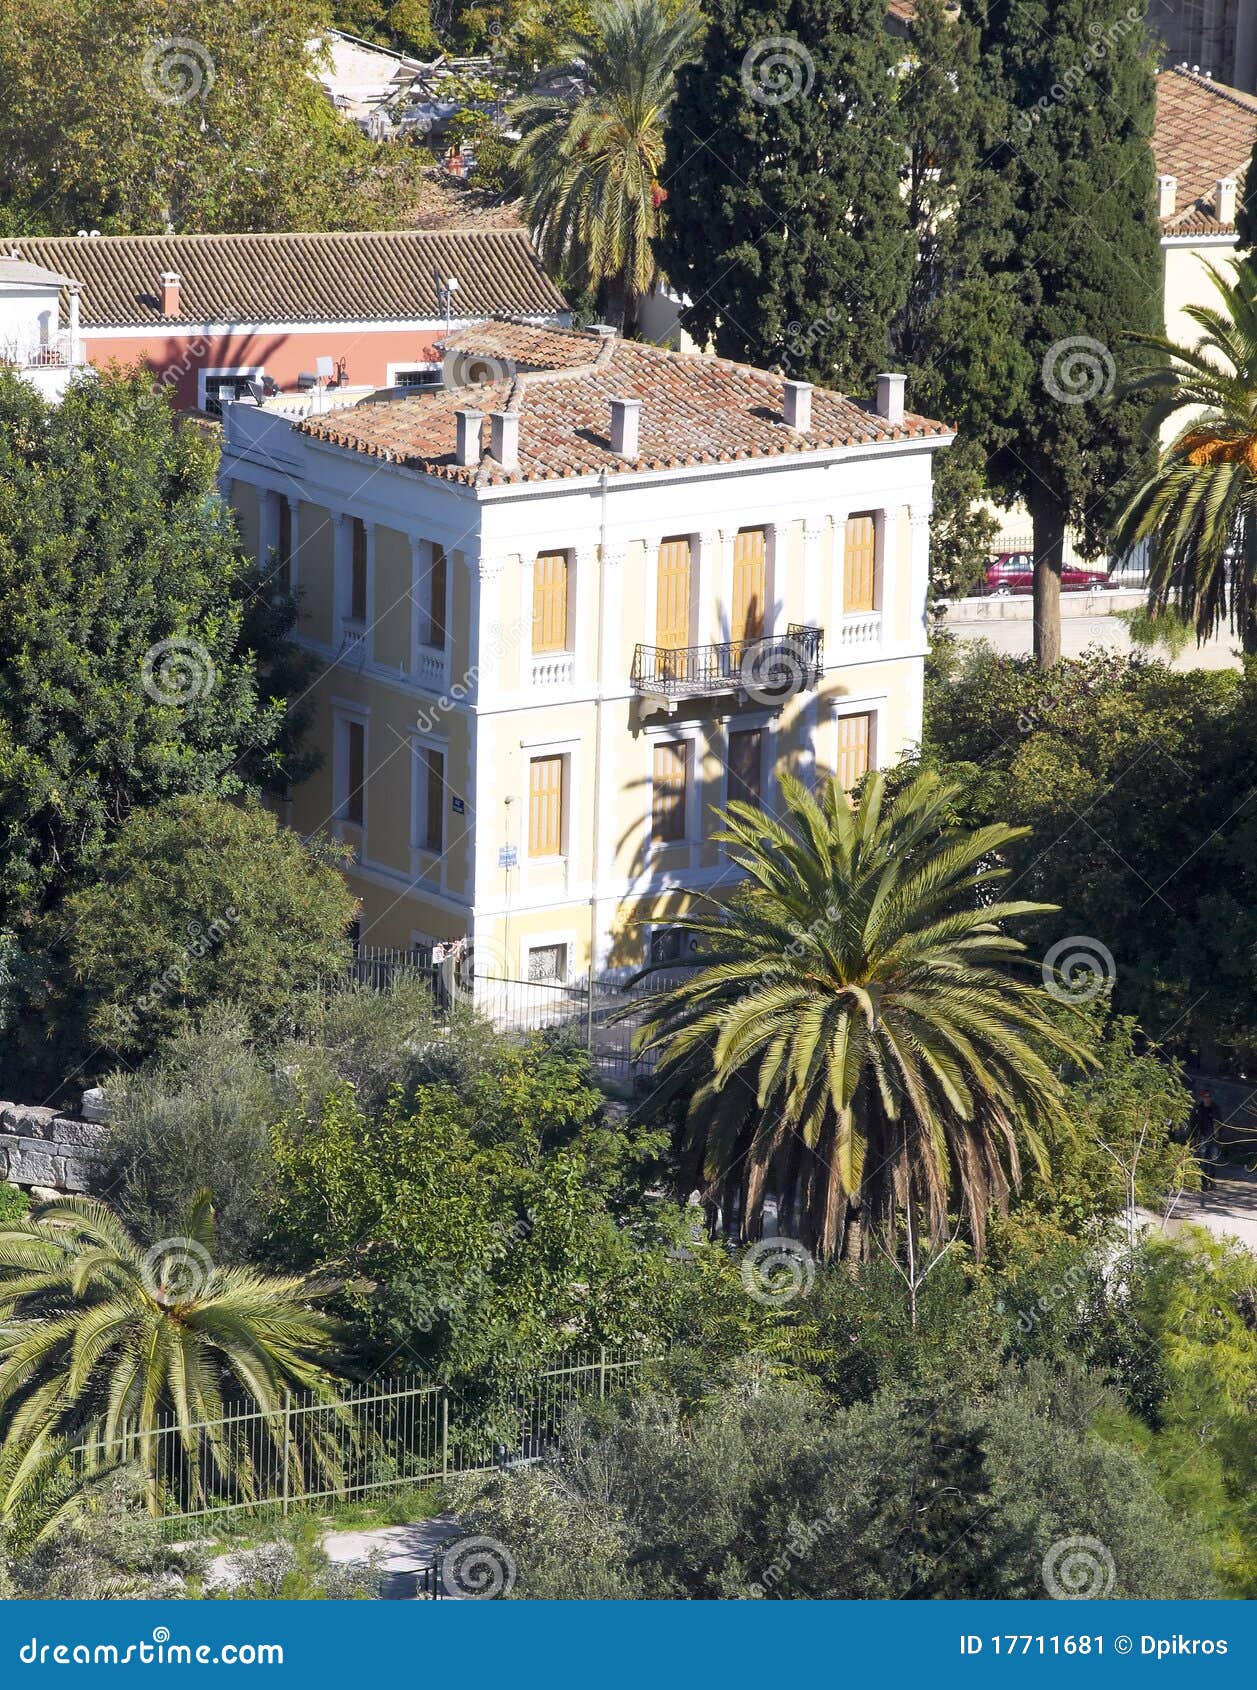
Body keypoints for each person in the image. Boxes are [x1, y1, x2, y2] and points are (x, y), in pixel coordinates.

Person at [1187, 1087, 1222, 1189]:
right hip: (1201, 1137)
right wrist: (1192, 1138)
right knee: (1202, 1160)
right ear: (1202, 1098)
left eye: (1208, 1097)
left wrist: (1219, 1136)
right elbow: (1192, 1123)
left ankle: (1212, 1179)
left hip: (1213, 1137)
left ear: (1211, 1097)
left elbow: (1220, 1123)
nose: (1207, 1099)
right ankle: (1203, 1182)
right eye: (1205, 1097)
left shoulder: (1215, 1108)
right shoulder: (1198, 1109)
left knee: (1212, 1159)